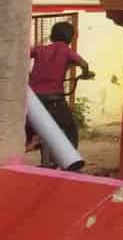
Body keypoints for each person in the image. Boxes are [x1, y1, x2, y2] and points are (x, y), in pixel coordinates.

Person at [27, 22, 92, 168]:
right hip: (55, 97)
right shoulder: (66, 51)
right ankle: (71, 160)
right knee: (69, 127)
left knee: (32, 124)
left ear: (52, 35)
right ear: (70, 37)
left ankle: (33, 140)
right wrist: (86, 73)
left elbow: (24, 55)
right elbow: (83, 64)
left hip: (35, 98)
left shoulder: (40, 49)